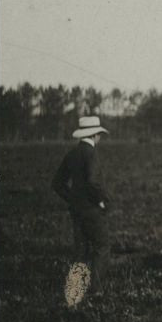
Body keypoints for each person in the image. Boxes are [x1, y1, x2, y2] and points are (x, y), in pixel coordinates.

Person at [50, 114, 111, 300]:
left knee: (81, 251)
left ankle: (74, 293)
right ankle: (96, 290)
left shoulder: (72, 154)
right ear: (94, 135)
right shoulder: (91, 153)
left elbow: (57, 183)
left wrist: (73, 199)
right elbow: (93, 181)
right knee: (102, 246)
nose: (99, 137)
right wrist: (102, 200)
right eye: (99, 134)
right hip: (91, 210)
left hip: (76, 210)